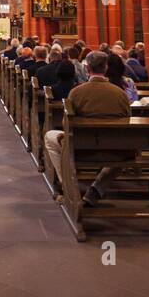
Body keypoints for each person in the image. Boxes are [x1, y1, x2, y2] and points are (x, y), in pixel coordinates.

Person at [43, 51, 134, 205]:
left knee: (50, 137)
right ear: (105, 68)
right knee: (128, 151)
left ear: (87, 69)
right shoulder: (120, 94)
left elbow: (67, 125)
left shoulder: (77, 92)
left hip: (81, 149)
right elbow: (128, 120)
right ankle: (97, 189)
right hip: (116, 150)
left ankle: (68, 187)